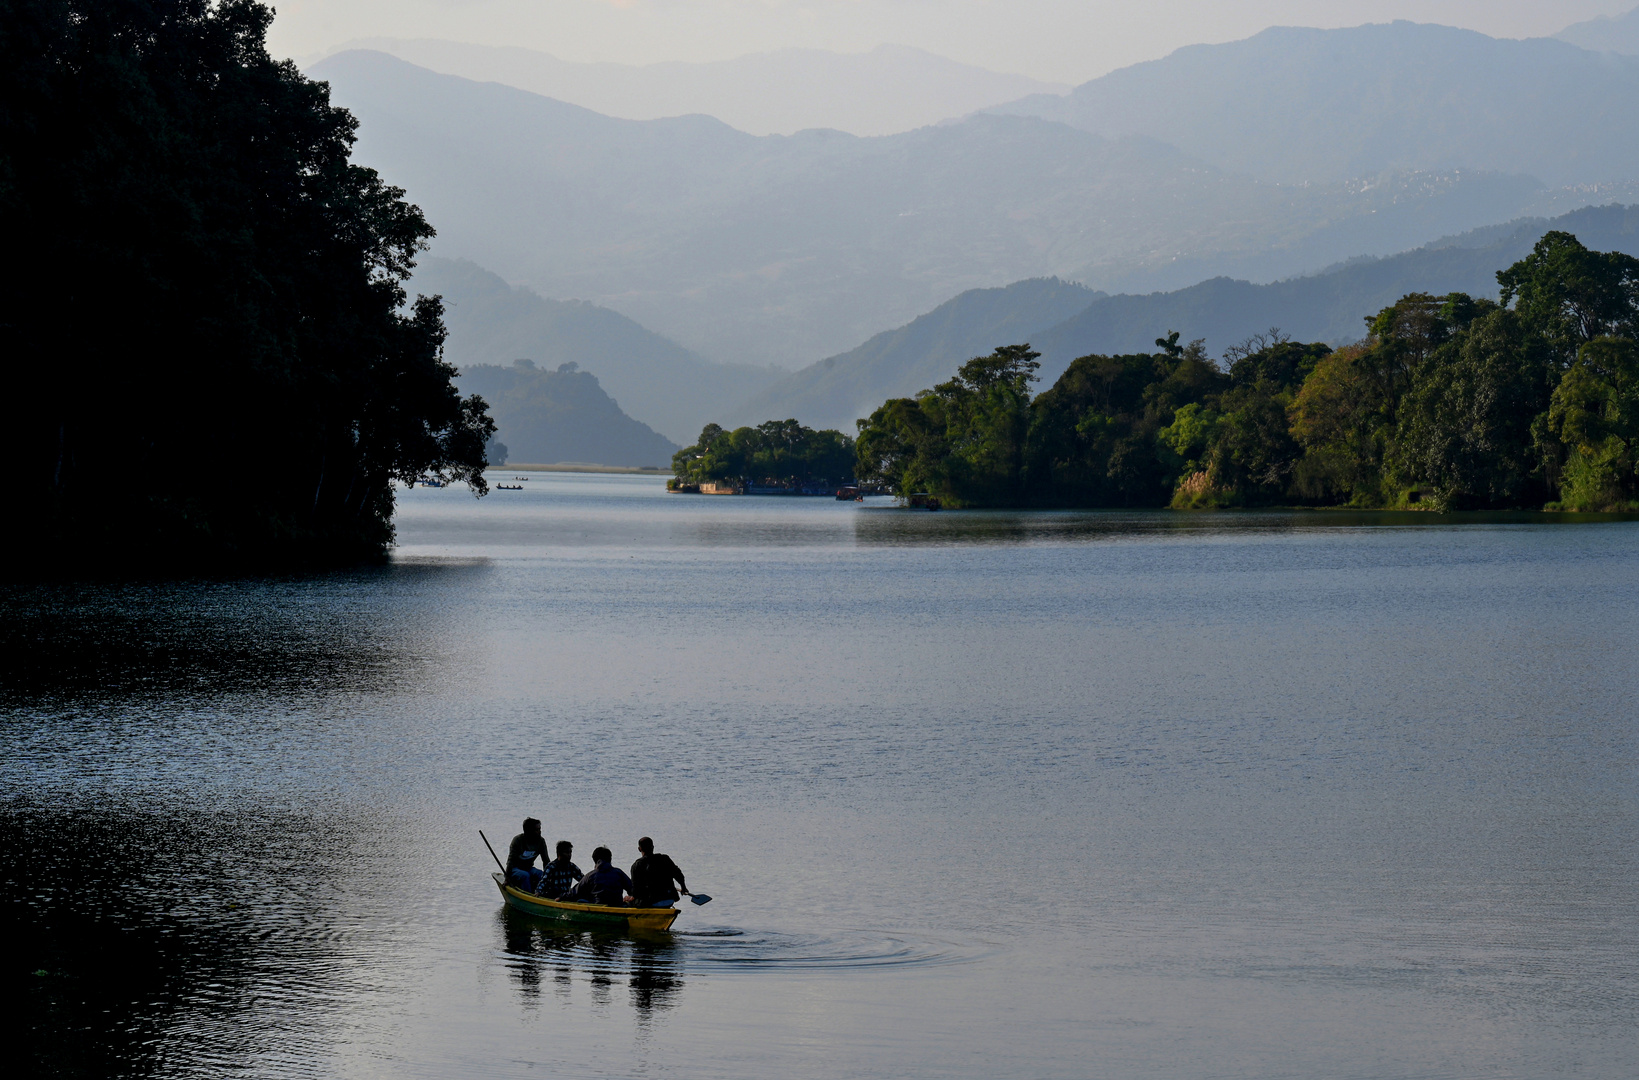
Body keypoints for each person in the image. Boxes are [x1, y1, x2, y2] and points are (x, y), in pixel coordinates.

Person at [630, 837, 690, 908]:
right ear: (653, 847)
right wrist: (683, 887)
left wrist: (631, 898)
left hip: (652, 902)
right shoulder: (665, 859)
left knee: (628, 901)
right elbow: (678, 874)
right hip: (670, 900)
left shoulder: (636, 865)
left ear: (639, 849)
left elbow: (635, 890)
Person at [563, 846, 632, 906]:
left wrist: (562, 897)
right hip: (617, 905)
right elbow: (632, 889)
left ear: (595, 861)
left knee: (580, 900)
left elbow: (575, 892)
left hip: (599, 905)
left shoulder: (590, 876)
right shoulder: (618, 873)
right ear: (610, 859)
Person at [506, 818, 549, 893]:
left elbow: (546, 861)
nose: (539, 832)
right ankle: (528, 895)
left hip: (528, 868)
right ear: (529, 831)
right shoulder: (518, 840)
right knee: (525, 876)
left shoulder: (541, 841)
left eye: (540, 829)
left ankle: (542, 894)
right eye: (537, 830)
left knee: (540, 874)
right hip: (515, 869)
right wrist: (507, 878)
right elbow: (511, 861)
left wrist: (550, 876)